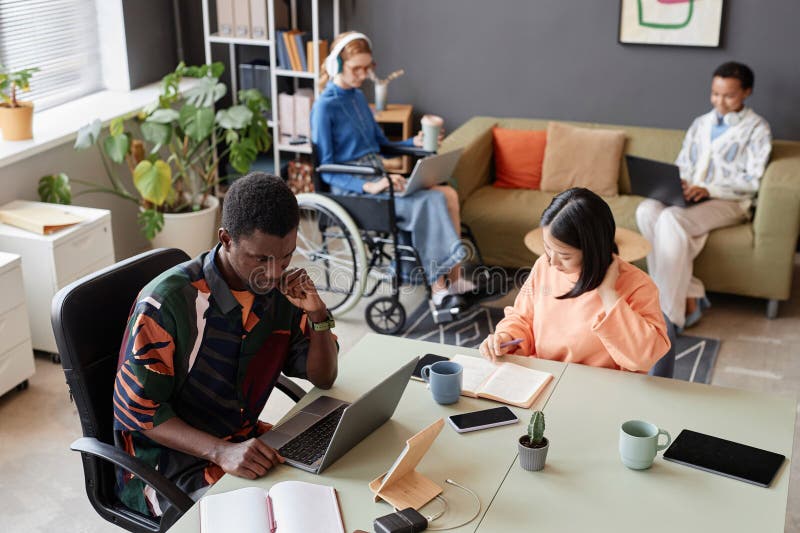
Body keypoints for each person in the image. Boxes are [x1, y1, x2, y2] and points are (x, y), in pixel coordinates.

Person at [112, 173, 339, 517]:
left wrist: (318, 315)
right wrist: (220, 451)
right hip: (166, 469)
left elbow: (324, 377)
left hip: (242, 444)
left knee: (324, 496)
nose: (274, 272)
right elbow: (139, 413)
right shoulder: (166, 304)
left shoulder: (281, 291)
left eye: (287, 256)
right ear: (226, 239)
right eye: (260, 259)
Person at [310, 31, 473, 306]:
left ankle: (455, 279)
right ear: (337, 65)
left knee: (448, 194)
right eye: (356, 68)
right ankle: (438, 288)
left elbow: (382, 145)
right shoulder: (324, 107)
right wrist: (370, 185)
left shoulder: (357, 98)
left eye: (367, 67)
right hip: (354, 189)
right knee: (431, 201)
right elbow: (325, 168)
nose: (363, 75)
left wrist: (413, 142)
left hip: (379, 179)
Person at [636, 61, 772, 330]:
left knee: (671, 220)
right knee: (646, 210)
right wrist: (681, 184)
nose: (719, 102)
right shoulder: (700, 123)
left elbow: (753, 180)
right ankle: (689, 294)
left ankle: (668, 318)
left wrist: (710, 189)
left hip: (731, 202)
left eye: (728, 96)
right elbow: (683, 162)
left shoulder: (758, 129)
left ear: (747, 92)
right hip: (692, 196)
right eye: (715, 94)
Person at [480, 188, 670, 372]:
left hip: (600, 387)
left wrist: (609, 295)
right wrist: (506, 337)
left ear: (592, 251)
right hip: (545, 377)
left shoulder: (638, 286)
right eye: (547, 248)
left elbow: (644, 358)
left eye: (565, 256)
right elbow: (523, 318)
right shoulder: (544, 265)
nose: (552, 261)